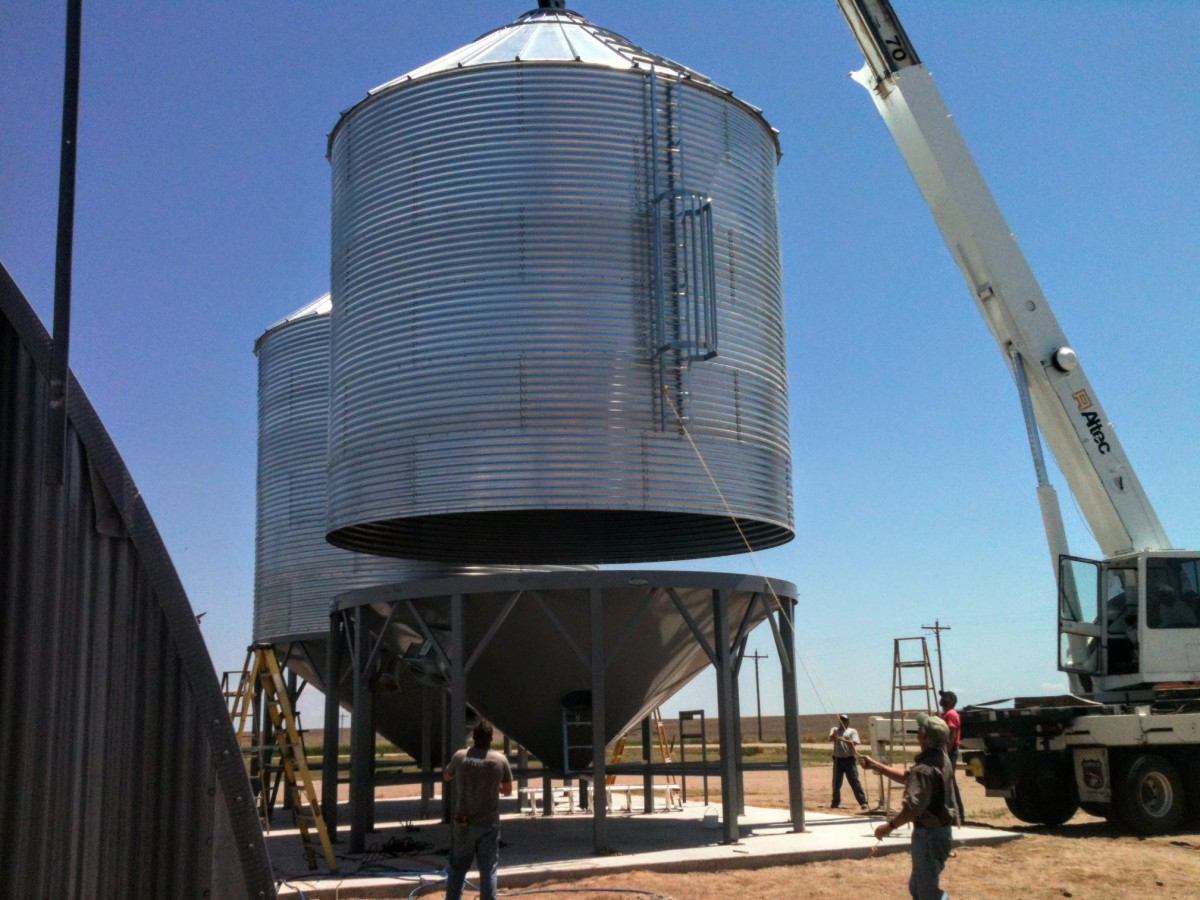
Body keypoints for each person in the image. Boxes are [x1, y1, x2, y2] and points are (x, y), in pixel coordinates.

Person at [859, 713, 955, 900]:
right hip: (940, 833)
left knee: (928, 894)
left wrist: (889, 827)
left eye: (921, 728)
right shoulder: (941, 758)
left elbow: (913, 809)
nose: (917, 730)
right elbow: (908, 777)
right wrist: (876, 766)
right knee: (918, 888)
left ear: (925, 737)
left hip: (928, 836)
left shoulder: (923, 770)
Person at [443, 720, 514, 900]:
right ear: (491, 738)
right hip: (488, 823)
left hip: (463, 821)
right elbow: (508, 790)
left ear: (473, 737)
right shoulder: (499, 760)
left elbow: (446, 775)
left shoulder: (460, 756)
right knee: (488, 870)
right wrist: (492, 786)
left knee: (457, 868)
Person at [828, 713, 869, 811]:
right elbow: (830, 739)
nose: (842, 722)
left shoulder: (852, 731)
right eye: (841, 720)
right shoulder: (835, 729)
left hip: (849, 760)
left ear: (848, 721)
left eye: (844, 720)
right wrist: (834, 736)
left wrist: (842, 739)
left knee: (854, 781)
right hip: (838, 759)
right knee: (836, 783)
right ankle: (835, 802)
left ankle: (863, 802)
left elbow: (854, 744)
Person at [938, 690, 966, 824]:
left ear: (951, 701)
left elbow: (952, 736)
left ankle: (955, 814)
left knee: (948, 784)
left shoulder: (950, 714)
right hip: (948, 751)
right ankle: (956, 814)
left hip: (950, 752)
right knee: (950, 783)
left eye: (945, 697)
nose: (942, 699)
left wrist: (945, 754)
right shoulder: (946, 714)